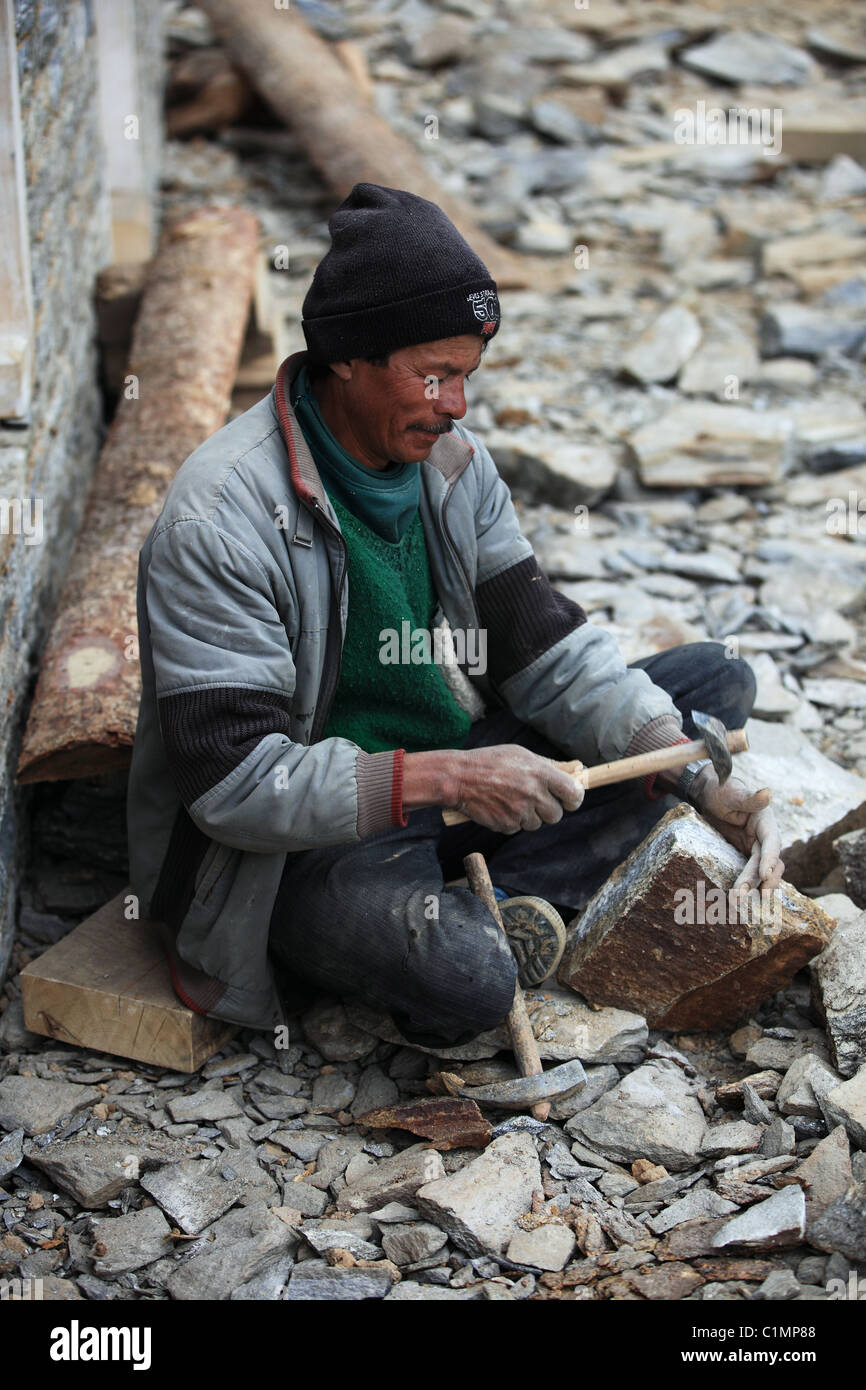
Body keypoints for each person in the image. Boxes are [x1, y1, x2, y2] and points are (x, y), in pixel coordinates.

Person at [126, 183, 783, 1048]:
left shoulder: (453, 467)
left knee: (710, 685)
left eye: (467, 377)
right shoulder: (219, 518)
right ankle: (496, 908)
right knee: (470, 984)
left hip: (446, 770)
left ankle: (502, 897)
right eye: (435, 375)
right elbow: (235, 789)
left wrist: (699, 776)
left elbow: (545, 649)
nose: (457, 405)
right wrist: (444, 781)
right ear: (348, 357)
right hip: (311, 836)